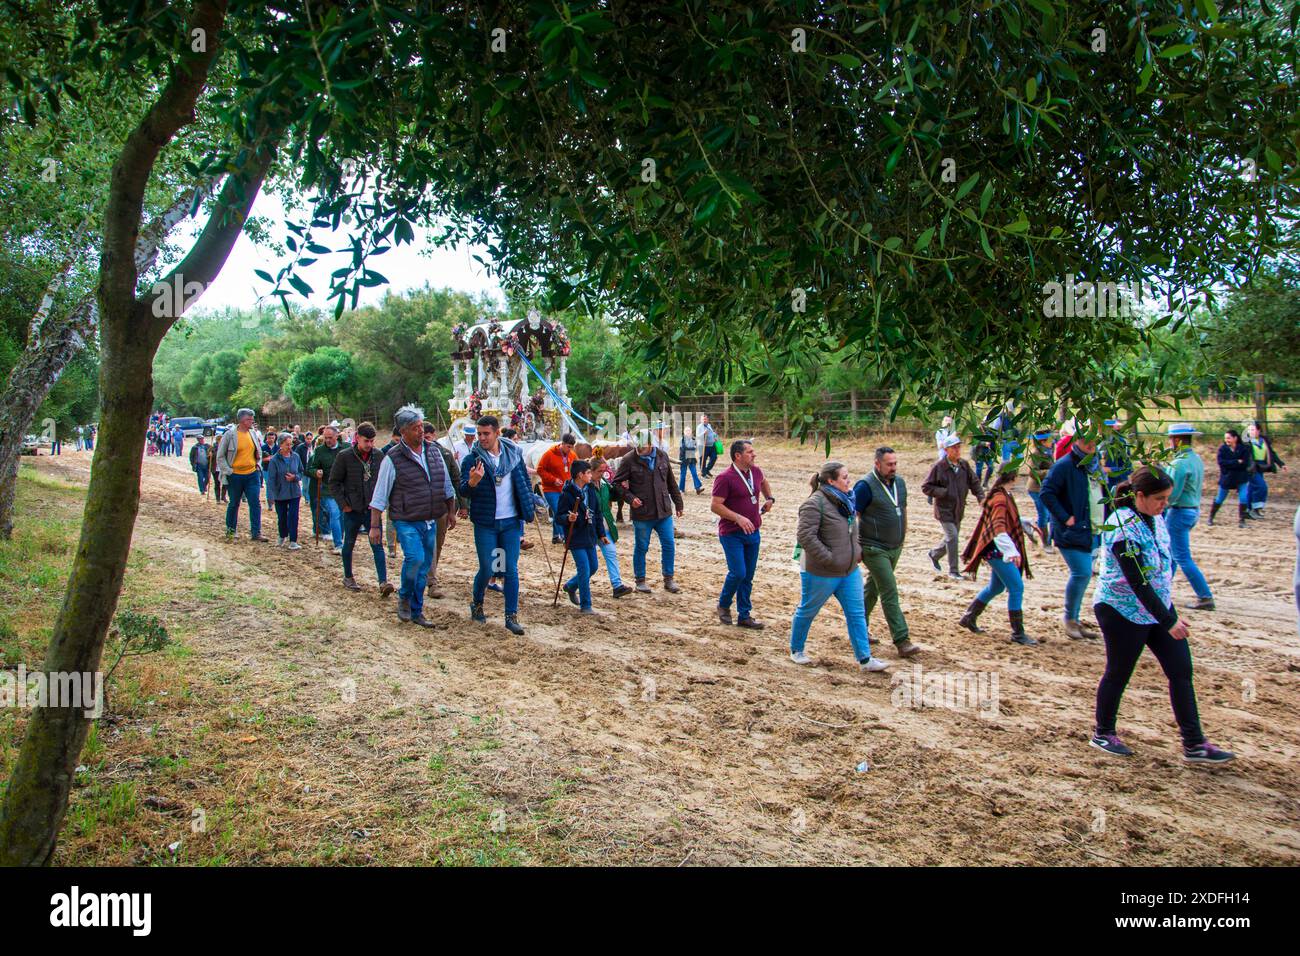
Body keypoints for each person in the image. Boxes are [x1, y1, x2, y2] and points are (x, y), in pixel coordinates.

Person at [1088, 467, 1235, 764]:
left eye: (1167, 498)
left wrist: (1167, 611)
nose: (1164, 504)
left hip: (1158, 606)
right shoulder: (1122, 525)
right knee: (1119, 671)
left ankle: (1194, 743)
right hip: (1121, 608)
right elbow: (1137, 579)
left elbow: (1160, 570)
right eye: (1159, 499)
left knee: (1180, 669)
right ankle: (1103, 732)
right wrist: (1168, 620)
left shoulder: (1156, 519)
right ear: (1139, 496)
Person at [791, 461, 889, 672]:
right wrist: (829, 558)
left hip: (849, 570)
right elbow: (805, 536)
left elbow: (852, 529)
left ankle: (865, 659)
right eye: (844, 477)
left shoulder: (848, 500)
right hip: (821, 572)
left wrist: (857, 550)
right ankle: (796, 649)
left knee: (857, 613)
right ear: (831, 481)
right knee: (808, 610)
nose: (849, 480)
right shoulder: (814, 503)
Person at [368, 405, 456, 628]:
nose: (421, 430)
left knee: (424, 566)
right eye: (416, 428)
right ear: (404, 431)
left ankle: (417, 610)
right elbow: (380, 495)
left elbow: (446, 484)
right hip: (406, 519)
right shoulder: (393, 458)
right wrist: (375, 526)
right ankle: (404, 597)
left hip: (431, 517)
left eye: (421, 426)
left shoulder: (434, 451)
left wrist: (451, 510)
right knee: (414, 559)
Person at [459, 414, 534, 635]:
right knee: (489, 567)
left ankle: (511, 616)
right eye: (479, 434)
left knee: (509, 568)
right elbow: (463, 489)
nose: (481, 438)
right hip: (486, 523)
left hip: (510, 522)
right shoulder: (471, 460)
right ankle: (477, 602)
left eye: (486, 434)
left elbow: (523, 482)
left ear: (497, 432)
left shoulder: (513, 456)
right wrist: (472, 482)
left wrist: (528, 506)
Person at [853, 446, 919, 657]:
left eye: (895, 464)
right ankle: (902, 640)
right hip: (874, 547)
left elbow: (904, 509)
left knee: (873, 589)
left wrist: (902, 538)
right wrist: (855, 545)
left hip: (894, 547)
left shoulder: (900, 483)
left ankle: (858, 628)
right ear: (877, 463)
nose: (893, 468)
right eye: (889, 464)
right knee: (889, 590)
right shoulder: (864, 485)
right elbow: (853, 516)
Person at [957, 470, 1037, 645]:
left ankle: (969, 618)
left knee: (996, 587)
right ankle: (1018, 633)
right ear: (1015, 478)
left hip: (993, 550)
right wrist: (1011, 551)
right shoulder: (1000, 498)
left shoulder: (1001, 494)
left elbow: (1006, 520)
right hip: (996, 552)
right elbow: (998, 527)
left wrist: (1022, 521)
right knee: (1016, 587)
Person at [1039, 431, 1104, 640]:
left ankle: (1075, 619)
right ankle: (1069, 619)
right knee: (1082, 573)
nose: (1092, 443)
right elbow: (1046, 493)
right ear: (1076, 441)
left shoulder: (1094, 465)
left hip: (1092, 529)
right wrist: (1065, 517)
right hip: (1072, 530)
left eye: (1094, 439)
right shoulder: (1065, 465)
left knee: (1085, 576)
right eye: (1087, 439)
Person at [710, 439, 773, 629]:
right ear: (738, 456)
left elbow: (763, 482)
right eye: (750, 452)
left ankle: (744, 615)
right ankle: (723, 604)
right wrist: (738, 518)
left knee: (748, 576)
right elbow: (715, 505)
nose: (754, 454)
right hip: (732, 534)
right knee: (738, 572)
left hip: (753, 532)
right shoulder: (725, 478)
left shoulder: (756, 471)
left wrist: (769, 498)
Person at [613, 431, 685, 593]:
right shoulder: (628, 460)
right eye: (637, 445)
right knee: (642, 547)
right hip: (642, 513)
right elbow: (616, 484)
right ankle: (640, 580)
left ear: (651, 444)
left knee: (669, 544)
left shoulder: (662, 456)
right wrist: (631, 499)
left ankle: (669, 579)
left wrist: (678, 503)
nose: (639, 449)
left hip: (663, 511)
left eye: (642, 446)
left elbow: (671, 482)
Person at [330, 422, 393, 595]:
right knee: (348, 544)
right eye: (367, 441)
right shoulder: (344, 456)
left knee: (377, 545)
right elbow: (334, 482)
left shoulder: (379, 456)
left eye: (372, 441)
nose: (370, 445)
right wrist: (343, 504)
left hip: (372, 509)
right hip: (352, 509)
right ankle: (348, 576)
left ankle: (383, 582)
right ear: (357, 438)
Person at [1162, 423, 1215, 611]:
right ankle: (1162, 590)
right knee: (1174, 554)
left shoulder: (1179, 463)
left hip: (1179, 512)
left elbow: (1172, 494)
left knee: (1181, 556)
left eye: (1170, 439)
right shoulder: (1195, 459)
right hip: (1193, 509)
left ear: (1176, 440)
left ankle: (1205, 596)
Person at [921, 434, 983, 580]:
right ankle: (953, 571)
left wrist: (981, 497)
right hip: (944, 510)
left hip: (958, 509)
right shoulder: (939, 467)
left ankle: (934, 554)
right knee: (953, 537)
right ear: (947, 450)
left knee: (951, 538)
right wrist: (943, 492)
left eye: (958, 447)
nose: (957, 450)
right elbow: (926, 487)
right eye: (954, 448)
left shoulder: (963, 465)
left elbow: (974, 483)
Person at [558, 460, 608, 614]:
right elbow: (559, 516)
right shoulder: (567, 494)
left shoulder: (590, 490)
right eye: (588, 473)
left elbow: (597, 513)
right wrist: (568, 518)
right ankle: (586, 605)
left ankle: (571, 586)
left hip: (590, 535)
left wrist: (601, 534)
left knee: (593, 566)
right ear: (580, 475)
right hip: (575, 537)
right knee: (584, 568)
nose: (590, 475)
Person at [423, 421, 463, 599]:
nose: (423, 439)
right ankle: (430, 581)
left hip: (441, 507)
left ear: (432, 435)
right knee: (423, 545)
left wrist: (457, 508)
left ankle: (429, 575)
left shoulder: (444, 454)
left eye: (426, 436)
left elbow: (454, 480)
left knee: (436, 544)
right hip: (418, 508)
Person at [215, 408, 268, 542]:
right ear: (243, 420)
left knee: (255, 503)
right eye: (250, 419)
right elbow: (220, 456)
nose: (252, 421)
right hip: (235, 476)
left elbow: (259, 452)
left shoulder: (253, 433)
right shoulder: (230, 435)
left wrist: (258, 464)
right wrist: (228, 471)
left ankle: (256, 533)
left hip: (252, 474)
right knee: (234, 503)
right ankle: (231, 531)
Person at [590, 453, 634, 598]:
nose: (603, 474)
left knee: (611, 554)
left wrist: (620, 489)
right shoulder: (585, 487)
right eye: (599, 471)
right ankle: (571, 585)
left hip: (604, 527)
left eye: (604, 471)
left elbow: (612, 496)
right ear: (590, 471)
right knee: (590, 566)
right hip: (589, 530)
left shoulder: (603, 483)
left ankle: (617, 586)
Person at [307, 425, 350, 553]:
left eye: (330, 438)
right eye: (325, 438)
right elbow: (311, 468)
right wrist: (316, 472)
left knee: (343, 516)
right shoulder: (320, 451)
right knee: (334, 514)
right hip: (328, 489)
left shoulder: (347, 448)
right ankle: (338, 544)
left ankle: (341, 539)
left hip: (345, 489)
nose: (328, 440)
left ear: (337, 436)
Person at [265, 433, 304, 550]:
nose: (289, 446)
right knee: (282, 517)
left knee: (293, 516)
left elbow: (301, 471)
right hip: (280, 493)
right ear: (280, 444)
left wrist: (295, 477)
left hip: (294, 492)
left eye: (290, 444)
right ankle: (282, 535)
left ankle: (293, 540)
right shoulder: (274, 460)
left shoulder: (296, 456)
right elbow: (271, 479)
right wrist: (271, 495)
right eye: (287, 444)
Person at [537, 434, 578, 543]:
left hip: (565, 490)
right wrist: (553, 479)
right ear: (562, 444)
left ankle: (556, 536)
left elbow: (577, 468)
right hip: (550, 489)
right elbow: (540, 470)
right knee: (559, 511)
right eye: (568, 446)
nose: (570, 449)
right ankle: (565, 536)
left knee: (559, 512)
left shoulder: (572, 455)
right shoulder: (549, 454)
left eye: (571, 447)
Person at [1209, 428, 1253, 528]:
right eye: (1225, 438)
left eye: (1228, 438)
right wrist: (1236, 462)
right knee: (1220, 498)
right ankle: (1211, 517)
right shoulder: (1222, 449)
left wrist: (1231, 463)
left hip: (1241, 478)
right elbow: (1221, 462)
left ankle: (1242, 521)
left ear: (1235, 438)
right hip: (1227, 478)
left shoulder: (1243, 449)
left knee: (1243, 498)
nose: (1226, 440)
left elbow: (1245, 463)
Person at [1245, 421, 1285, 517]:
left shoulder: (1264, 441)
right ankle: (1255, 508)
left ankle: (1247, 510)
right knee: (1261, 487)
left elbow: (1272, 453)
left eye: (1253, 429)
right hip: (1251, 468)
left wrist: (1281, 464)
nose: (1251, 431)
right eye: (1249, 429)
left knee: (1252, 488)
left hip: (1261, 467)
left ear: (1259, 430)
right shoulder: (1246, 442)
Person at [1025, 429, 1055, 552]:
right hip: (1036, 489)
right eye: (1050, 439)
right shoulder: (1036, 453)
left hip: (1045, 488)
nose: (1052, 441)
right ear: (1043, 441)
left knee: (1047, 515)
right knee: (1044, 515)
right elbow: (1032, 472)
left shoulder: (1047, 451)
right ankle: (1046, 543)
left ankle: (1030, 524)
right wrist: (1050, 472)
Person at [1099, 418, 1131, 515]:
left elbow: (1127, 468)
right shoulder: (1097, 442)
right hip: (1100, 486)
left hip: (1114, 486)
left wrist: (1110, 470)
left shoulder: (1120, 443)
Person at [379, 426, 401, 559]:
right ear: (393, 436)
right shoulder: (385, 451)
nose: (399, 442)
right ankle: (391, 546)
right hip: (390, 489)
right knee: (391, 519)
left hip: (403, 489)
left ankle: (399, 541)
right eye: (397, 439)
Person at [678, 427, 703, 495]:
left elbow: (696, 449)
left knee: (694, 473)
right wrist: (692, 448)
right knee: (683, 475)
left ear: (691, 432)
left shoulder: (694, 439)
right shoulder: (682, 440)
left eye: (689, 430)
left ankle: (698, 488)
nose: (688, 432)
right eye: (686, 431)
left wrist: (692, 448)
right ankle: (681, 489)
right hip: (683, 459)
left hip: (692, 459)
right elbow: (683, 449)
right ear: (684, 432)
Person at [697, 414, 719, 478]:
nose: (704, 420)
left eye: (705, 419)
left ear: (707, 420)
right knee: (703, 459)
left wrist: (715, 437)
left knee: (714, 457)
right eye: (703, 419)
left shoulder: (709, 425)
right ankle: (703, 473)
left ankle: (707, 470)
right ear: (701, 420)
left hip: (711, 445)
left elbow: (712, 433)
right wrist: (703, 433)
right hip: (703, 445)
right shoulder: (699, 427)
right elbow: (698, 436)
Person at [208, 437, 225, 503]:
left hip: (223, 468)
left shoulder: (224, 447)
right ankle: (217, 498)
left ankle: (223, 497)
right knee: (217, 483)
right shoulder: (212, 448)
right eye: (220, 440)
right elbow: (208, 458)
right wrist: (210, 455)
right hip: (215, 468)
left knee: (225, 483)